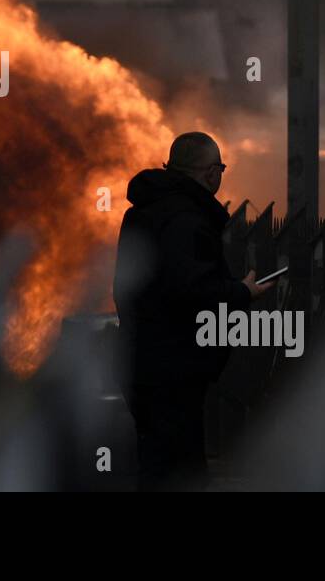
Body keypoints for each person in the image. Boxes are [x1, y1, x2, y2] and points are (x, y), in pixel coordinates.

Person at [112, 131, 273, 491]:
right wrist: (242, 292)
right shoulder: (188, 220)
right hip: (174, 371)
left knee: (156, 466)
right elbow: (193, 291)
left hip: (142, 361)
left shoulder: (141, 214)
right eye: (221, 168)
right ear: (211, 173)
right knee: (181, 471)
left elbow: (133, 288)